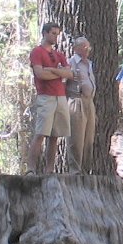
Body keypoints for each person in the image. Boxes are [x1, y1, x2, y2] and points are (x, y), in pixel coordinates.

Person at [26, 21, 75, 174]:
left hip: (60, 97)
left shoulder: (58, 54)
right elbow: (40, 74)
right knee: (41, 133)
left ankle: (49, 170)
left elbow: (70, 74)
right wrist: (58, 71)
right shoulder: (37, 52)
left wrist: (52, 71)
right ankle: (31, 168)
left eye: (57, 34)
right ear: (45, 33)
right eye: (53, 33)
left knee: (55, 135)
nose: (55, 37)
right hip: (45, 96)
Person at [67, 36, 97, 173]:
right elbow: (63, 82)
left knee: (89, 139)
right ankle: (75, 171)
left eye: (88, 47)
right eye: (84, 47)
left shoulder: (89, 64)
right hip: (76, 101)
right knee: (76, 139)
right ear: (76, 48)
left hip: (89, 101)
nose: (87, 50)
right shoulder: (71, 62)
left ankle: (86, 171)